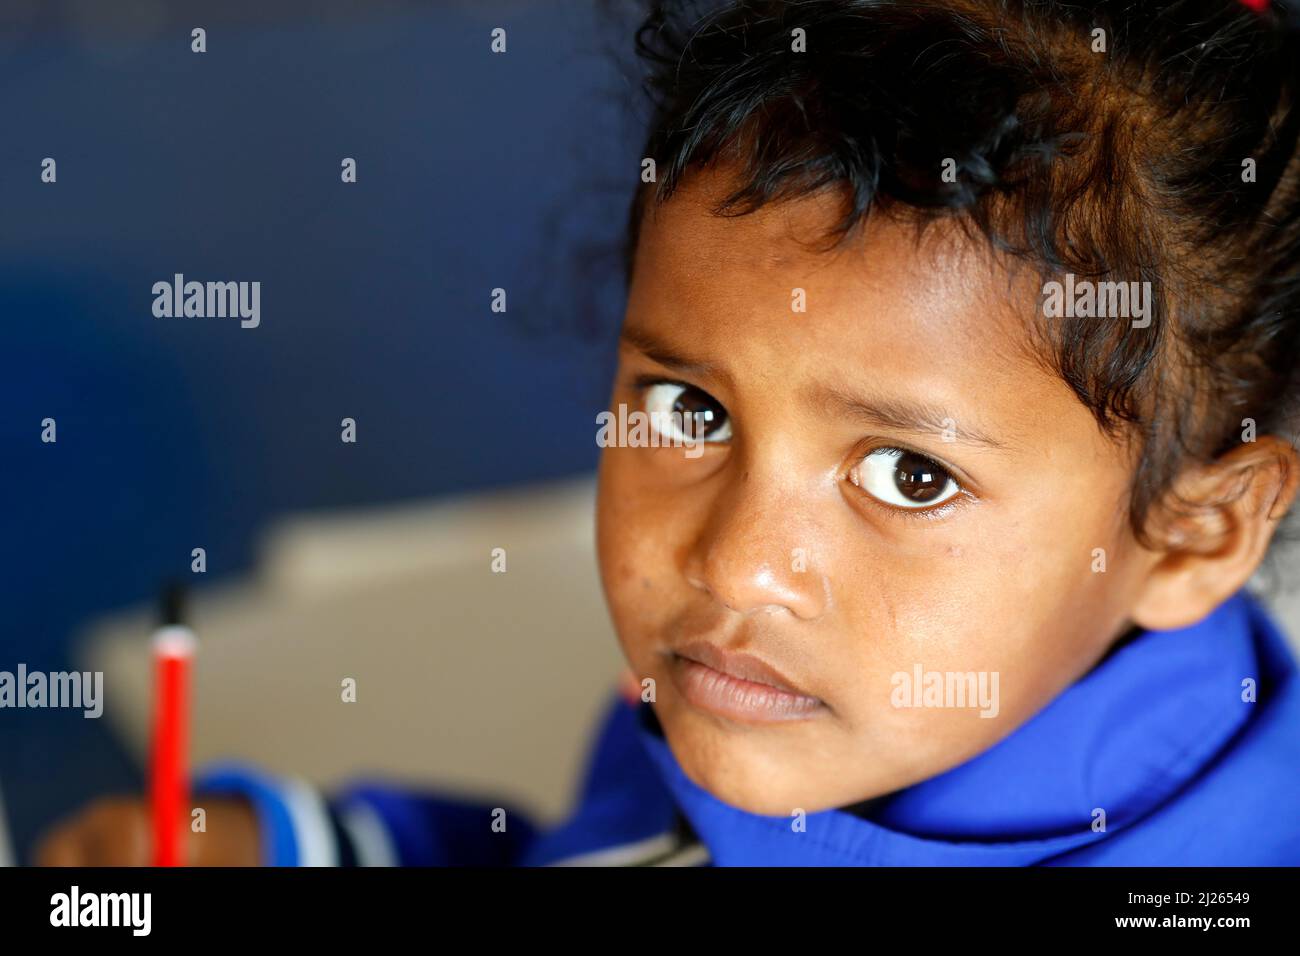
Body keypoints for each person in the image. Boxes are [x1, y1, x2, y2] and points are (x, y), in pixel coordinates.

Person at [37, 0, 1300, 865]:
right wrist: (287, 844)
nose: (734, 559)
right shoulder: (810, 709)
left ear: (1192, 535)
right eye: (689, 408)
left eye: (910, 473)